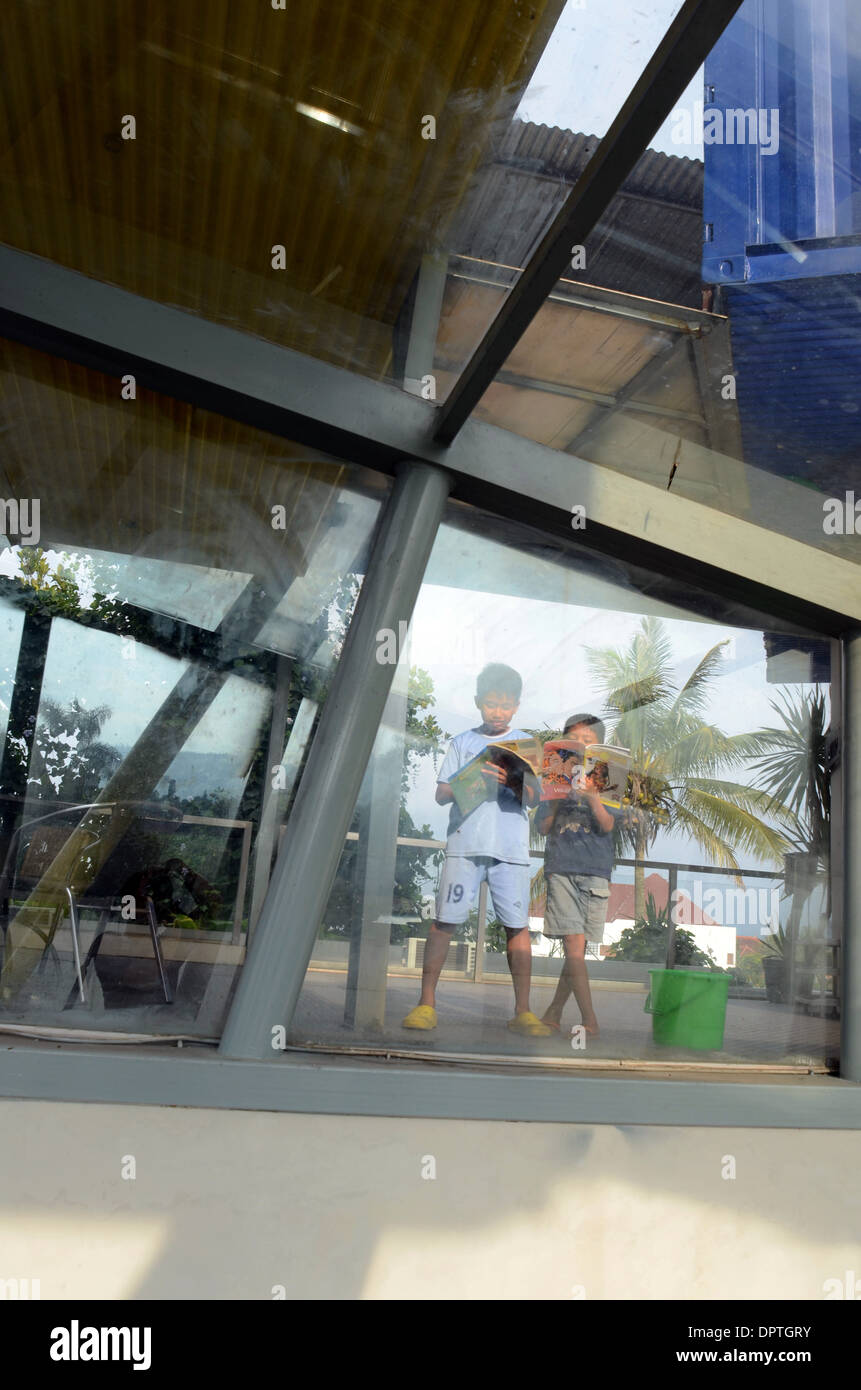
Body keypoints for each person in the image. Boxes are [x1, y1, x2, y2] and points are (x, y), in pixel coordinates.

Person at [402, 662, 552, 1037]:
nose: (497, 712)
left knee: (516, 928)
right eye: (490, 704)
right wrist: (472, 778)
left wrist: (512, 778)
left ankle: (522, 1010)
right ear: (477, 702)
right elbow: (440, 795)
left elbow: (537, 798)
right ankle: (426, 1002)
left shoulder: (528, 745)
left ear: (517, 705)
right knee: (444, 921)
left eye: (504, 705)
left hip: (511, 850)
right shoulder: (461, 742)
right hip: (464, 846)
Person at [535, 713, 623, 1039]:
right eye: (573, 742)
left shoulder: (608, 774)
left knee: (577, 953)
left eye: (586, 742)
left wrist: (592, 797)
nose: (580, 747)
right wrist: (558, 798)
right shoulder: (554, 778)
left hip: (596, 869)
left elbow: (608, 825)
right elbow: (544, 828)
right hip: (562, 866)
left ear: (597, 746)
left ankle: (554, 1012)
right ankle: (590, 1021)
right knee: (574, 948)